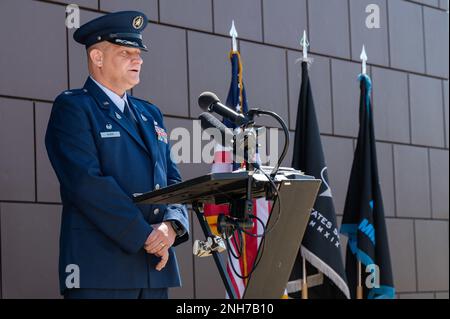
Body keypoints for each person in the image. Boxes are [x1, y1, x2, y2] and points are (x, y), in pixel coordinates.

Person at [45, 11, 189, 299]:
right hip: (101, 269)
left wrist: (171, 226)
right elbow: (86, 184)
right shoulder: (73, 107)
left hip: (154, 269)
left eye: (139, 53)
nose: (138, 59)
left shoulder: (150, 113)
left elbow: (173, 179)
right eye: (126, 52)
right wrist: (144, 234)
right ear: (97, 58)